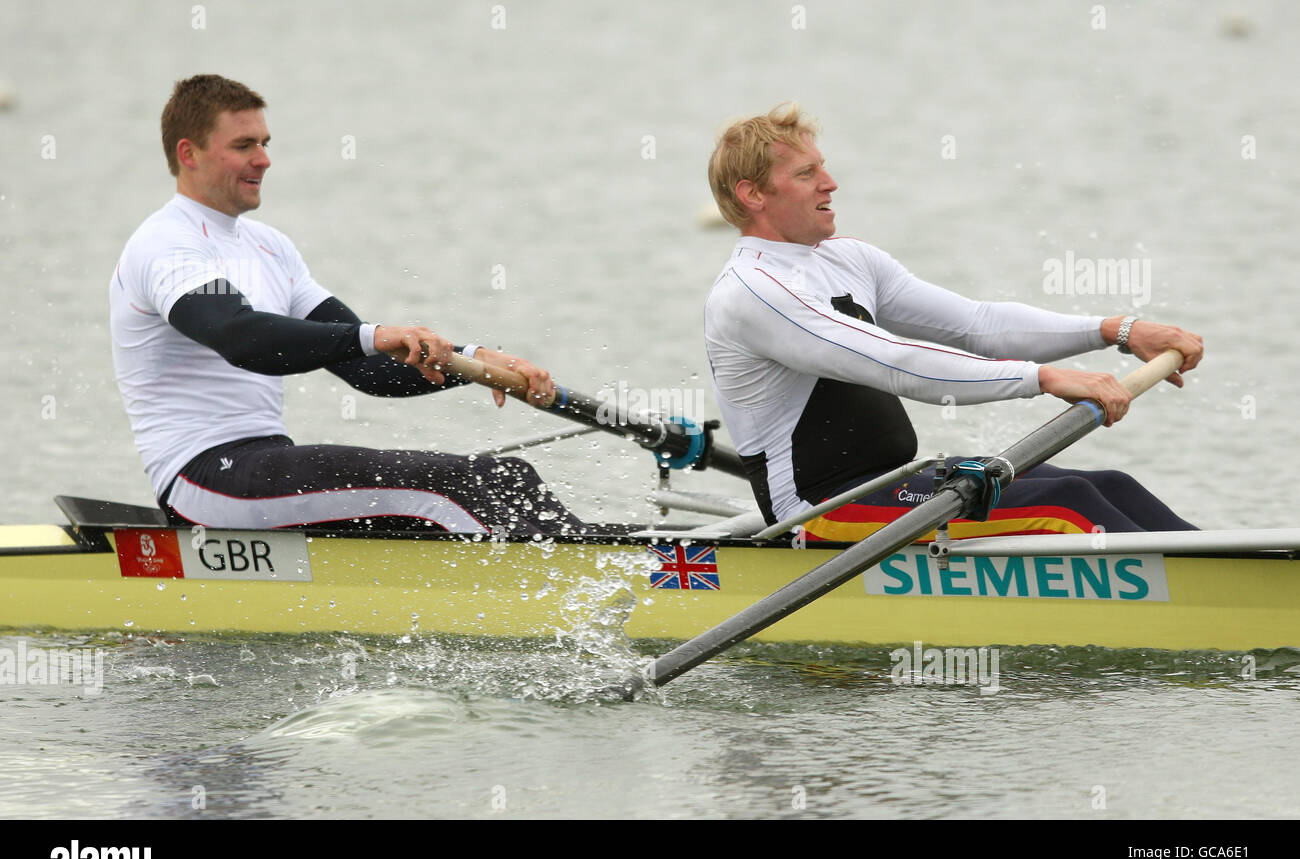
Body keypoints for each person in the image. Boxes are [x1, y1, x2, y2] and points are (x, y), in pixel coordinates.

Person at [704, 104, 1204, 541]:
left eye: (824, 168)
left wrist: (1116, 329)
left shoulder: (848, 258)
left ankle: (1259, 570)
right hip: (820, 512)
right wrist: (1043, 379)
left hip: (892, 483)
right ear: (753, 195)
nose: (830, 183)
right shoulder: (752, 292)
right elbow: (898, 364)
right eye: (807, 173)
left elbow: (976, 324)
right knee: (1066, 504)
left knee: (1109, 484)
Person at [110, 74, 582, 535]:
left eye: (265, 143)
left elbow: (368, 368)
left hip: (262, 467)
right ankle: (578, 592)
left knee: (507, 477)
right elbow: (240, 336)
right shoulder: (168, 245)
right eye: (244, 146)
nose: (264, 160)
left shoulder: (270, 248)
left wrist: (474, 359)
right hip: (204, 480)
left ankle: (606, 576)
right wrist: (377, 335)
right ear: (188, 153)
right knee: (454, 486)